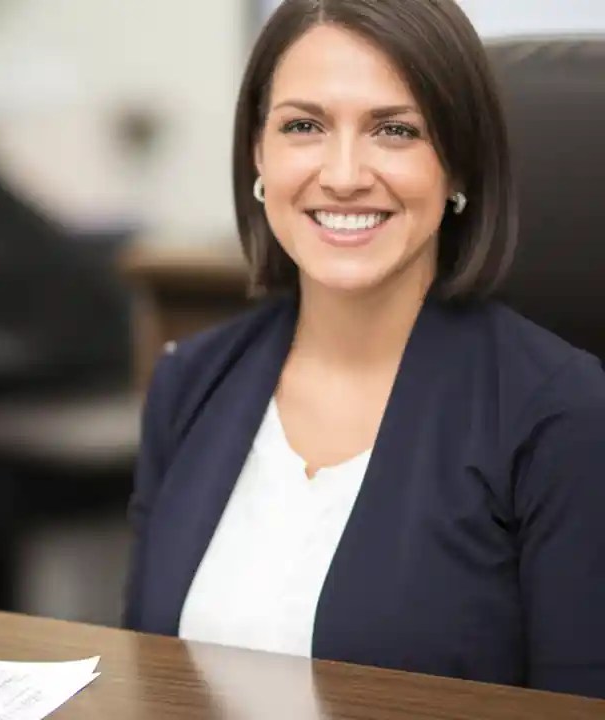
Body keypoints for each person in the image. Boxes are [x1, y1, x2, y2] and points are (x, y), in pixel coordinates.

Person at [122, 0, 605, 700]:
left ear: (461, 164)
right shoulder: (188, 384)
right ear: (259, 153)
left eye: (395, 130)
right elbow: (146, 678)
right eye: (304, 126)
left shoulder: (562, 415)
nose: (344, 173)